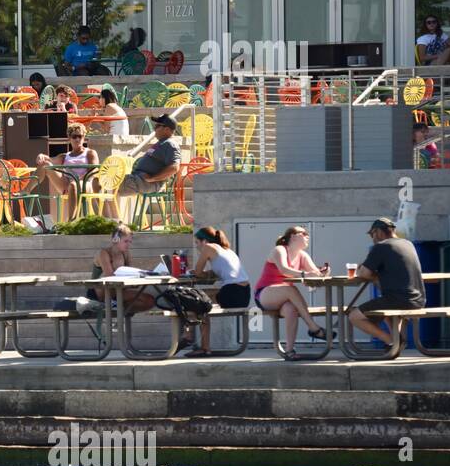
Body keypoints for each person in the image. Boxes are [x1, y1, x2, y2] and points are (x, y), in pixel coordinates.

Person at [348, 217, 427, 346]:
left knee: (354, 316)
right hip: (419, 299)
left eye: (372, 234)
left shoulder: (381, 246)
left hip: (398, 300)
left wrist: (363, 268)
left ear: (378, 231)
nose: (372, 239)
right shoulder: (407, 244)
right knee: (386, 308)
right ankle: (398, 339)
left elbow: (364, 274)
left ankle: (391, 341)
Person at [253, 225, 330, 358]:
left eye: (308, 234)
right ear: (293, 236)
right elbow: (284, 270)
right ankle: (313, 327)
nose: (307, 236)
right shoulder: (280, 250)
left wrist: (322, 274)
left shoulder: (303, 256)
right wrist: (307, 274)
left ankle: (289, 351)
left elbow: (312, 278)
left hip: (285, 297)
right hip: (265, 293)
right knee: (290, 289)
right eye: (304, 233)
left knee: (291, 309)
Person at [180, 226, 251, 358]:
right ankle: (201, 345)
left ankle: (190, 337)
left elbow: (199, 272)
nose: (197, 247)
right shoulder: (227, 250)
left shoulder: (208, 247)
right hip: (244, 293)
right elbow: (218, 273)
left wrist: (192, 272)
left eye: (197, 243)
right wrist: (205, 274)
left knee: (197, 301)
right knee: (201, 300)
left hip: (233, 292)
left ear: (204, 241)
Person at [84, 223, 157, 315]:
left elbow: (131, 274)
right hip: (100, 294)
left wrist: (143, 275)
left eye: (130, 242)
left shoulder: (125, 254)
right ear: (116, 239)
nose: (128, 245)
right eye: (126, 241)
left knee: (150, 301)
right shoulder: (104, 253)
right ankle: (113, 306)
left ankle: (119, 308)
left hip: (118, 291)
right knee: (107, 278)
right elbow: (109, 278)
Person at [35, 123, 98, 207]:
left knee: (73, 186)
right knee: (44, 164)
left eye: (80, 136)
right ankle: (26, 190)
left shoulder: (90, 153)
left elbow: (94, 170)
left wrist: (77, 182)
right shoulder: (65, 156)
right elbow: (49, 160)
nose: (77, 139)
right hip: (67, 185)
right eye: (74, 137)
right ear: (69, 138)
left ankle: (72, 219)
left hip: (84, 183)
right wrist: (41, 156)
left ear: (84, 138)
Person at [118, 114, 181, 199]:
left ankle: (110, 212)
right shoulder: (162, 143)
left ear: (167, 129)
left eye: (158, 126)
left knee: (107, 184)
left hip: (144, 183)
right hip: (138, 179)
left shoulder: (170, 144)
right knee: (102, 181)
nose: (154, 129)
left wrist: (153, 178)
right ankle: (111, 212)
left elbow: (174, 167)